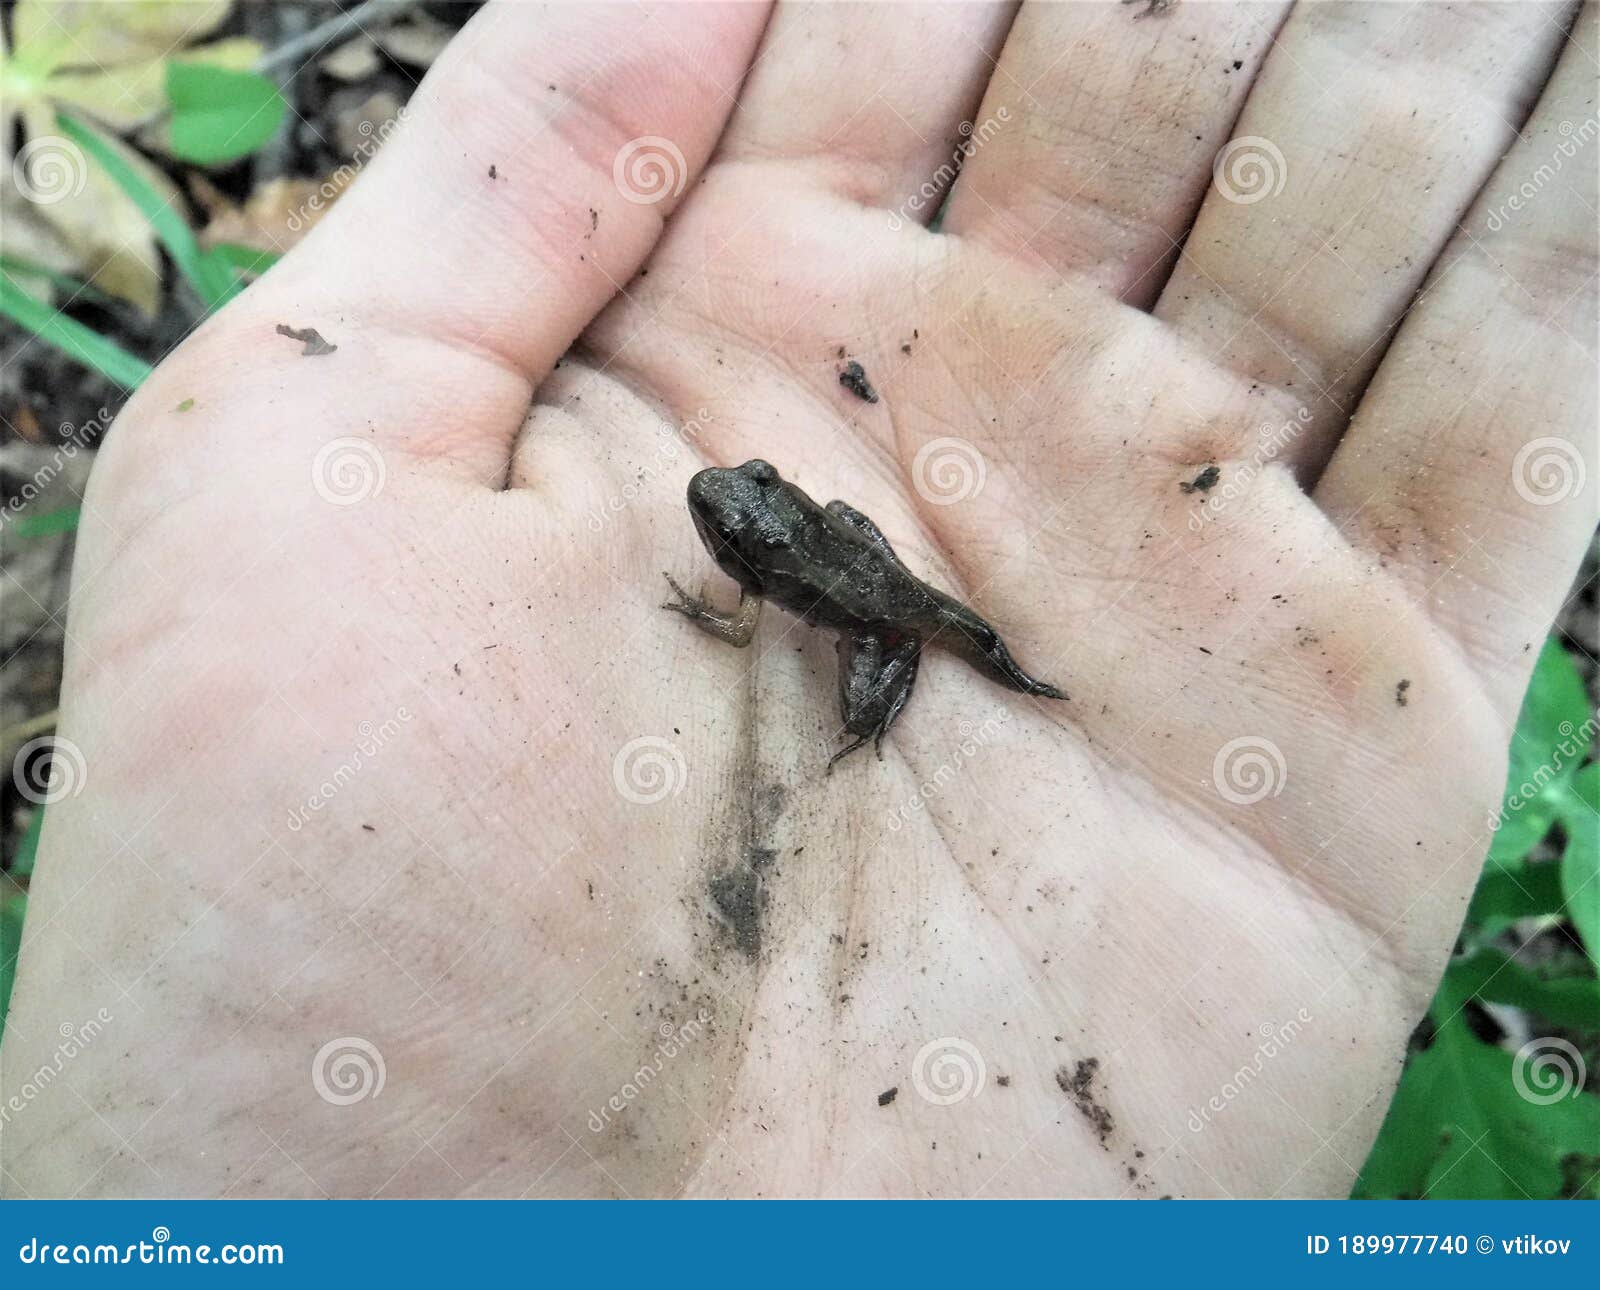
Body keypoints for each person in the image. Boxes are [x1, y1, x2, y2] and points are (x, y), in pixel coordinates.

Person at [4, 0, 1594, 1198]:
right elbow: (780, 546)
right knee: (904, 609)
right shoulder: (768, 547)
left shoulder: (774, 581)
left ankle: (970, 688)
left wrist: (808, 634)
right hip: (862, 565)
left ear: (747, 545)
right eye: (730, 521)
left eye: (730, 521)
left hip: (889, 596)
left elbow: (780, 586)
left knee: (903, 654)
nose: (723, 514)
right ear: (752, 539)